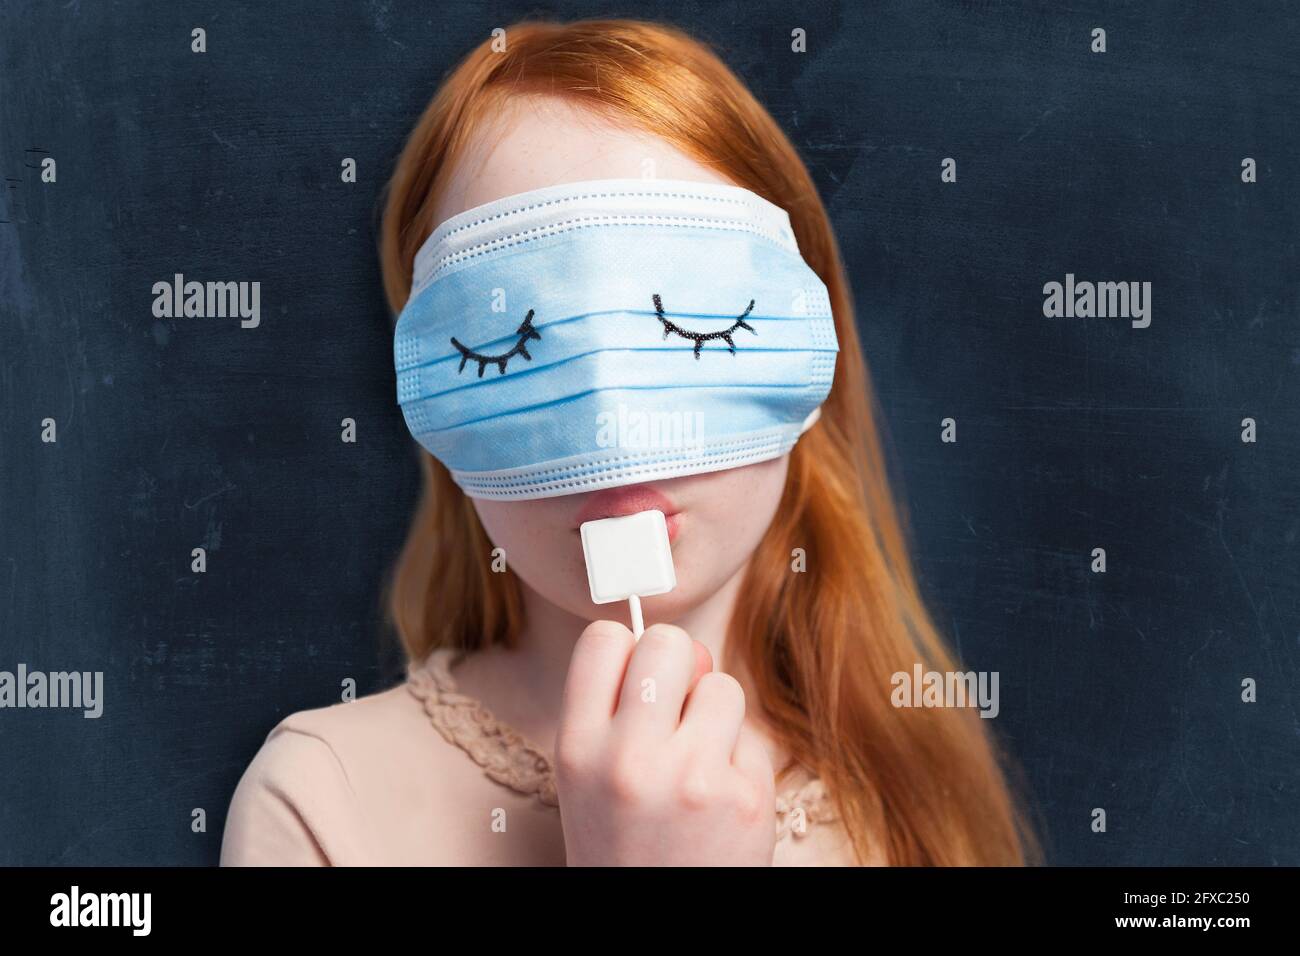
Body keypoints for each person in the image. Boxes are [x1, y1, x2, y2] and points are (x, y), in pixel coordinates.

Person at [220, 18, 1038, 867]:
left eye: (703, 324)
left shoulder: (909, 778)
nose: (613, 423)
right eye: (499, 352)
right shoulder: (325, 801)